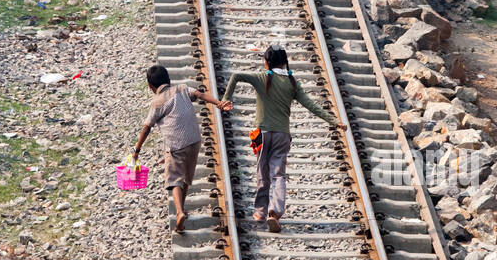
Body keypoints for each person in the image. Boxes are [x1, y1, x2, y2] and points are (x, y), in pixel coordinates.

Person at [222, 46, 345, 232]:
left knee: (262, 171)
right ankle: (275, 211)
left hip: (261, 134)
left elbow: (236, 76)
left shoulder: (262, 78)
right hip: (282, 135)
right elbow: (311, 105)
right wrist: (334, 121)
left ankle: (260, 211)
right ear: (285, 62)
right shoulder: (292, 82)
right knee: (278, 174)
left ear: (266, 62)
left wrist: (226, 99)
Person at [133, 64, 229, 234]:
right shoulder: (182, 88)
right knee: (185, 178)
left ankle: (179, 213)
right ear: (168, 79)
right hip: (194, 139)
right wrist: (218, 103)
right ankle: (181, 217)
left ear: (150, 86)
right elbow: (199, 94)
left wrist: (137, 150)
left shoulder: (157, 102)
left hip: (175, 144)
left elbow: (147, 127)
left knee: (174, 178)